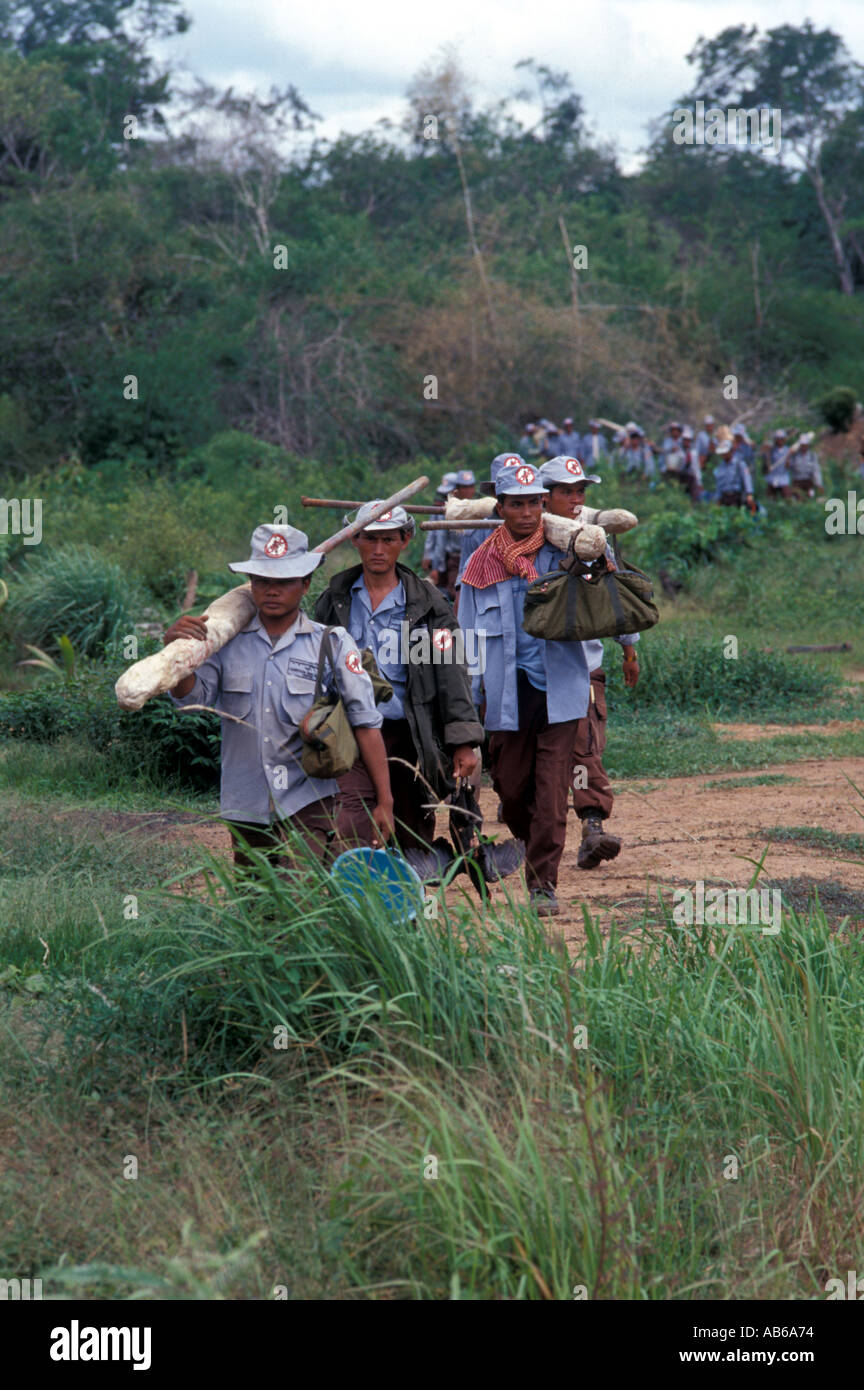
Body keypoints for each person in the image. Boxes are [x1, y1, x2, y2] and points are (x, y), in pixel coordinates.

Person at [164, 524, 393, 870]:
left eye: (284, 582)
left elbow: (365, 722)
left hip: (308, 799)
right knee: (257, 903)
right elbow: (192, 698)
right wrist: (176, 656)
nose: (272, 591)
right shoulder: (225, 643)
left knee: (301, 899)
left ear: (305, 585)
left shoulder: (330, 643)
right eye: (262, 581)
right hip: (246, 801)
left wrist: (384, 800)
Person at [458, 461, 591, 916]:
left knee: (553, 790)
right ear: (501, 508)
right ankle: (527, 835)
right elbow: (469, 634)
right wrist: (468, 700)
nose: (528, 512)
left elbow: (600, 585)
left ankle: (543, 886)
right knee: (512, 790)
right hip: (505, 692)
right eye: (517, 504)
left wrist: (593, 552)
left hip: (560, 689)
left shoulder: (564, 552)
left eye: (535, 502)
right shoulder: (480, 563)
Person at [314, 501, 482, 854]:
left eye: (388, 540)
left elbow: (452, 673)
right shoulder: (335, 601)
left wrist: (462, 740)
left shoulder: (428, 606)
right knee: (351, 823)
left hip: (410, 734)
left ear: (405, 540)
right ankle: (357, 902)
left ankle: (412, 905)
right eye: (369, 539)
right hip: (349, 731)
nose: (378, 550)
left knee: (411, 831)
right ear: (354, 539)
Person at [537, 456, 640, 869]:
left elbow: (615, 599)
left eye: (580, 491)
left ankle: (592, 827)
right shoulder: (523, 540)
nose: (576, 499)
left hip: (583, 665)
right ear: (543, 497)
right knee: (530, 758)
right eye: (566, 491)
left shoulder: (596, 540)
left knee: (585, 748)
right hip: (533, 669)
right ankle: (533, 833)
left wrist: (629, 650)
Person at [425, 469, 476, 602]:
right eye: (464, 487)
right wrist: (435, 564)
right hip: (453, 558)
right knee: (452, 593)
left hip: (470, 558)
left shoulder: (477, 508)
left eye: (470, 486)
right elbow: (438, 537)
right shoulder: (448, 510)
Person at [712, 440, 755, 510]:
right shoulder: (721, 466)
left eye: (725, 452)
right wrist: (718, 499)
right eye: (722, 453)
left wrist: (749, 494)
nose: (724, 455)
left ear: (731, 451)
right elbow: (719, 484)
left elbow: (746, 478)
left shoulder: (739, 463)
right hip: (724, 497)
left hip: (736, 496)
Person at [788, 433, 824, 497]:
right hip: (797, 481)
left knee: (811, 495)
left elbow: (816, 470)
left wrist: (819, 484)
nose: (804, 446)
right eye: (802, 445)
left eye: (805, 445)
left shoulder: (812, 455)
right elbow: (788, 467)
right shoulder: (794, 455)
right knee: (797, 497)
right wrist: (789, 455)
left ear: (808, 445)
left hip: (808, 481)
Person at [762, 429, 793, 500]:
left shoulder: (788, 450)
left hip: (783, 477)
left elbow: (789, 466)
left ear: (784, 439)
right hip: (772, 477)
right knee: (770, 497)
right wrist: (766, 452)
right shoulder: (771, 450)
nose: (780, 441)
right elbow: (765, 462)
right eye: (778, 439)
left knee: (787, 496)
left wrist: (788, 459)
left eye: (781, 439)